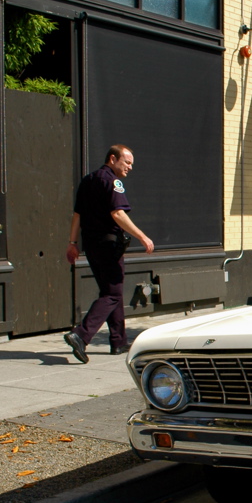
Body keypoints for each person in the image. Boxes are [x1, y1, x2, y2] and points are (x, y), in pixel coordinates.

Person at [64, 145, 154, 363]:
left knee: (112, 291)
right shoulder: (113, 182)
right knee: (112, 294)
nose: (130, 167)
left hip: (91, 245)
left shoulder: (88, 180)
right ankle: (81, 335)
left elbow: (77, 215)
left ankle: (118, 341)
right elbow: (117, 214)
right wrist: (142, 236)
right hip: (108, 245)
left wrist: (72, 243)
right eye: (127, 162)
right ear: (113, 159)